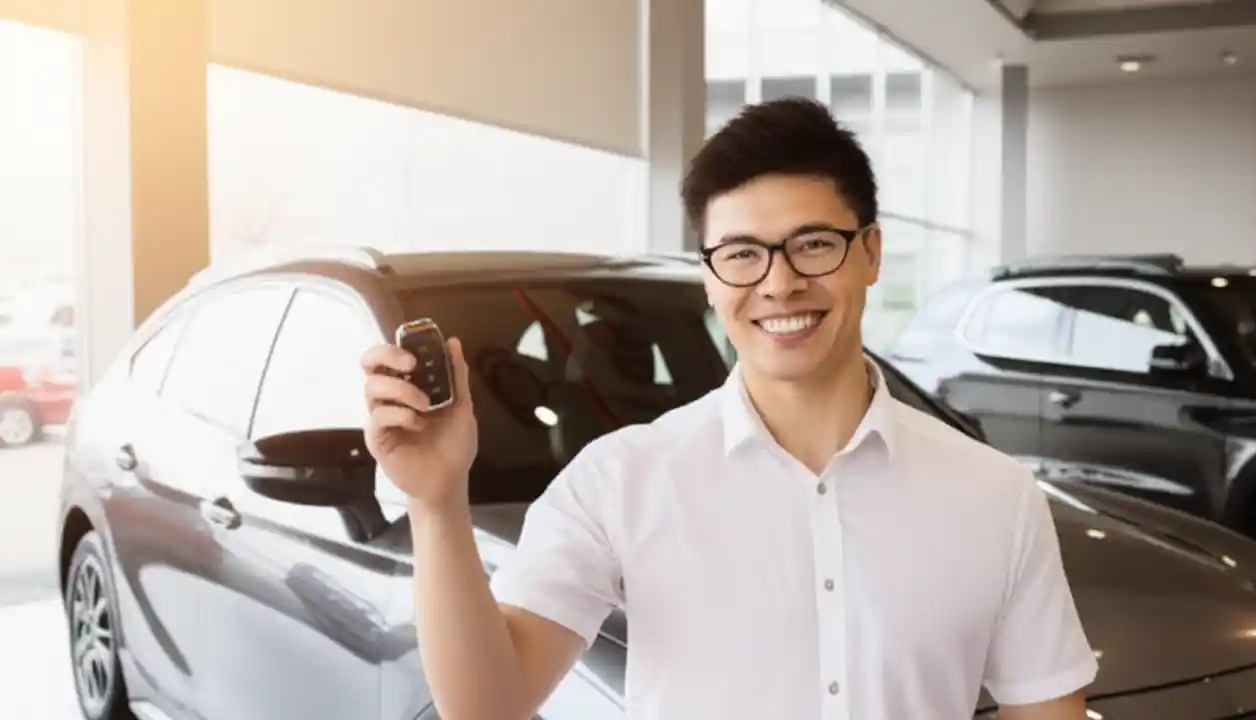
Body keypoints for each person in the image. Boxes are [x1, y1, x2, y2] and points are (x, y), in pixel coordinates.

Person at [360, 98, 1097, 720]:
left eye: (813, 244)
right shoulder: (622, 480)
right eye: (741, 254)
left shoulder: (994, 496)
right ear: (710, 279)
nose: (778, 284)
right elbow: (489, 704)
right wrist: (435, 501)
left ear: (871, 254)